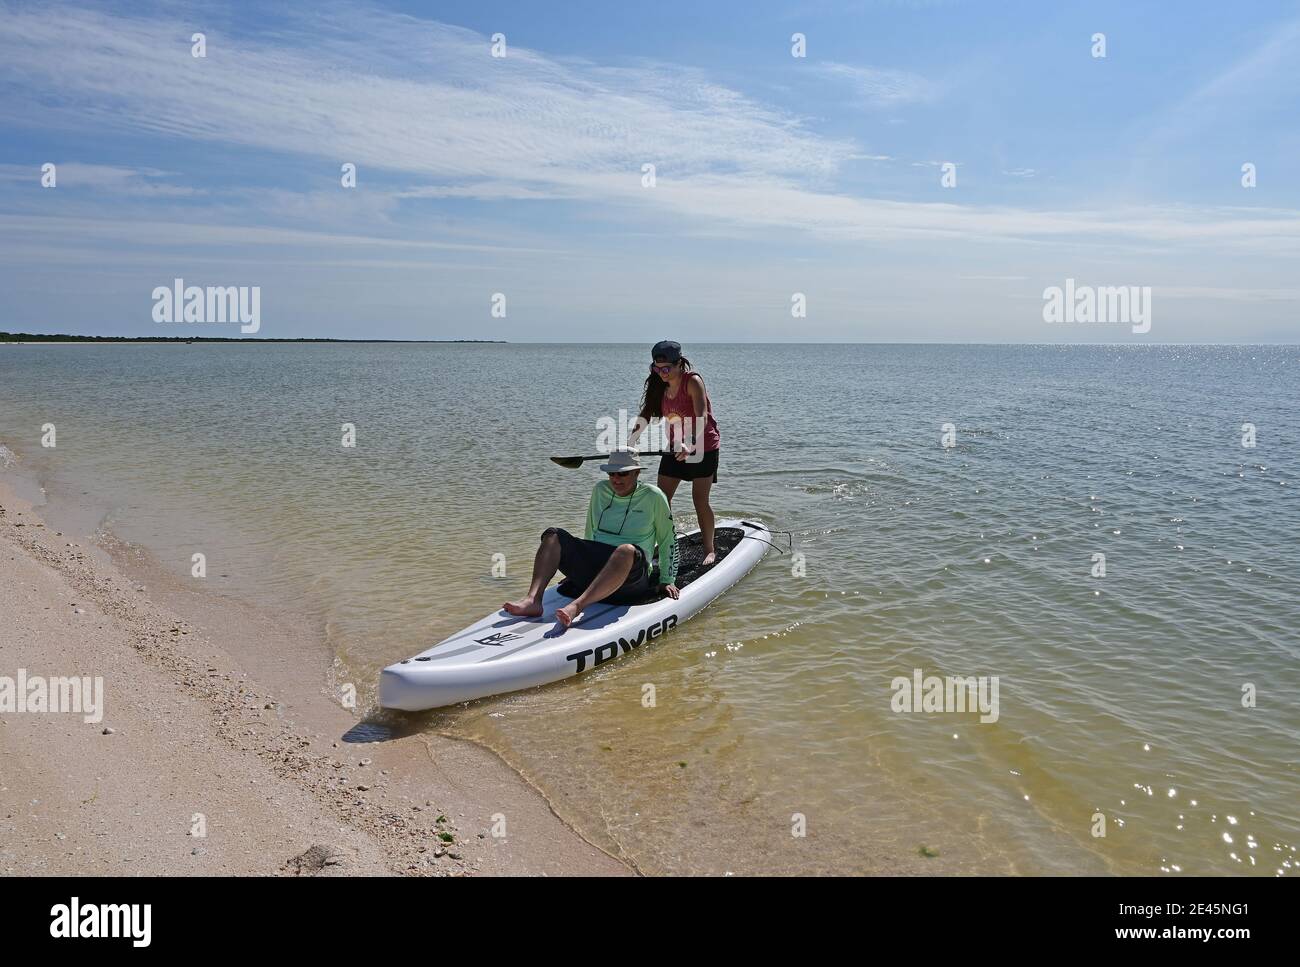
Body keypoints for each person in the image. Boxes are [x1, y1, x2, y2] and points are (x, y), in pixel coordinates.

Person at [504, 448, 679, 627]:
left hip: (631, 578)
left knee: (625, 550)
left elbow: (668, 539)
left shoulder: (654, 496)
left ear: (637, 472)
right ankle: (533, 600)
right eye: (612, 474)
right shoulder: (600, 490)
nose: (616, 480)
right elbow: (590, 533)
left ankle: (577, 606)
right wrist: (578, 570)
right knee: (553, 535)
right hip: (598, 570)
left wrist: (667, 579)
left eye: (622, 474)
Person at [630, 340, 722, 565]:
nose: (661, 373)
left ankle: (709, 550)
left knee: (699, 500)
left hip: (703, 447)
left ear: (679, 363)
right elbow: (646, 414)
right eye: (656, 368)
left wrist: (690, 444)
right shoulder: (658, 384)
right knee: (661, 499)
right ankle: (664, 545)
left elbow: (702, 416)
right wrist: (630, 441)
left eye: (666, 368)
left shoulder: (693, 381)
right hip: (675, 448)